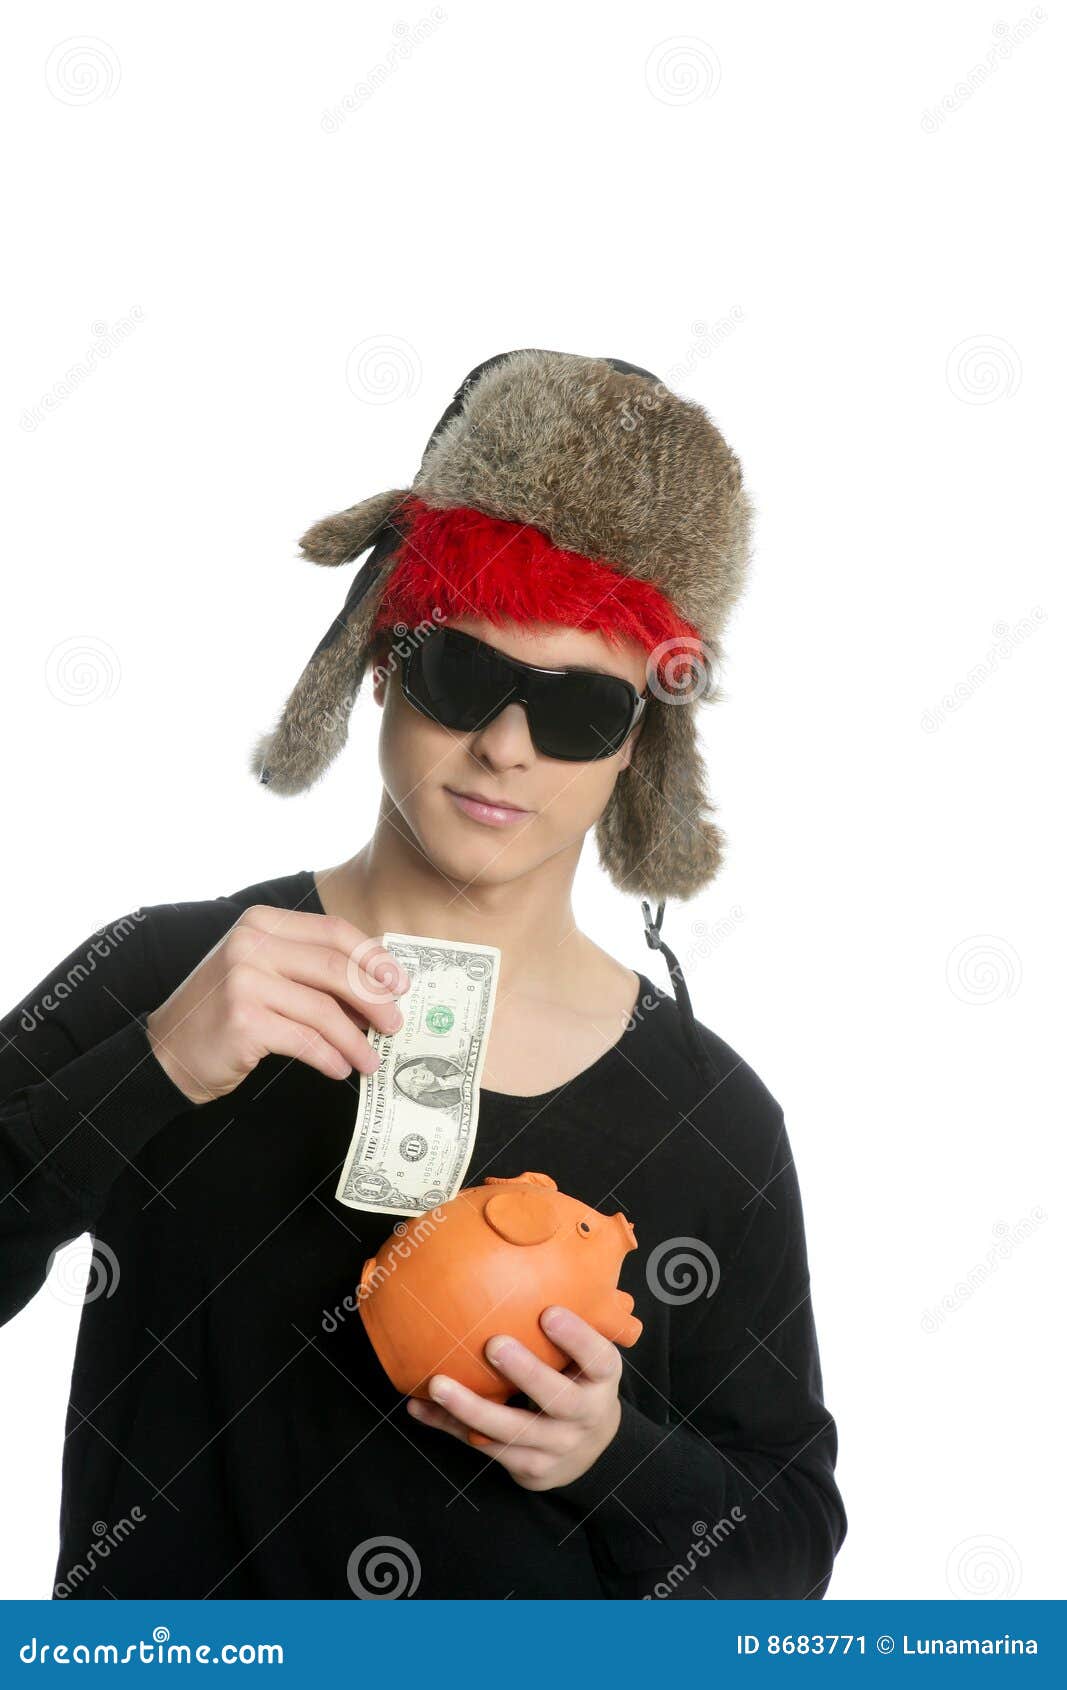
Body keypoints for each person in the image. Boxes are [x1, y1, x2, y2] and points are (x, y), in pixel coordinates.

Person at [0, 350, 846, 1599]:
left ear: (633, 751)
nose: (505, 746)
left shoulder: (708, 1114)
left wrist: (609, 1454)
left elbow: (788, 1546)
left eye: (574, 713)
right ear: (385, 663)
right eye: (464, 676)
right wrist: (153, 1067)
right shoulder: (171, 972)